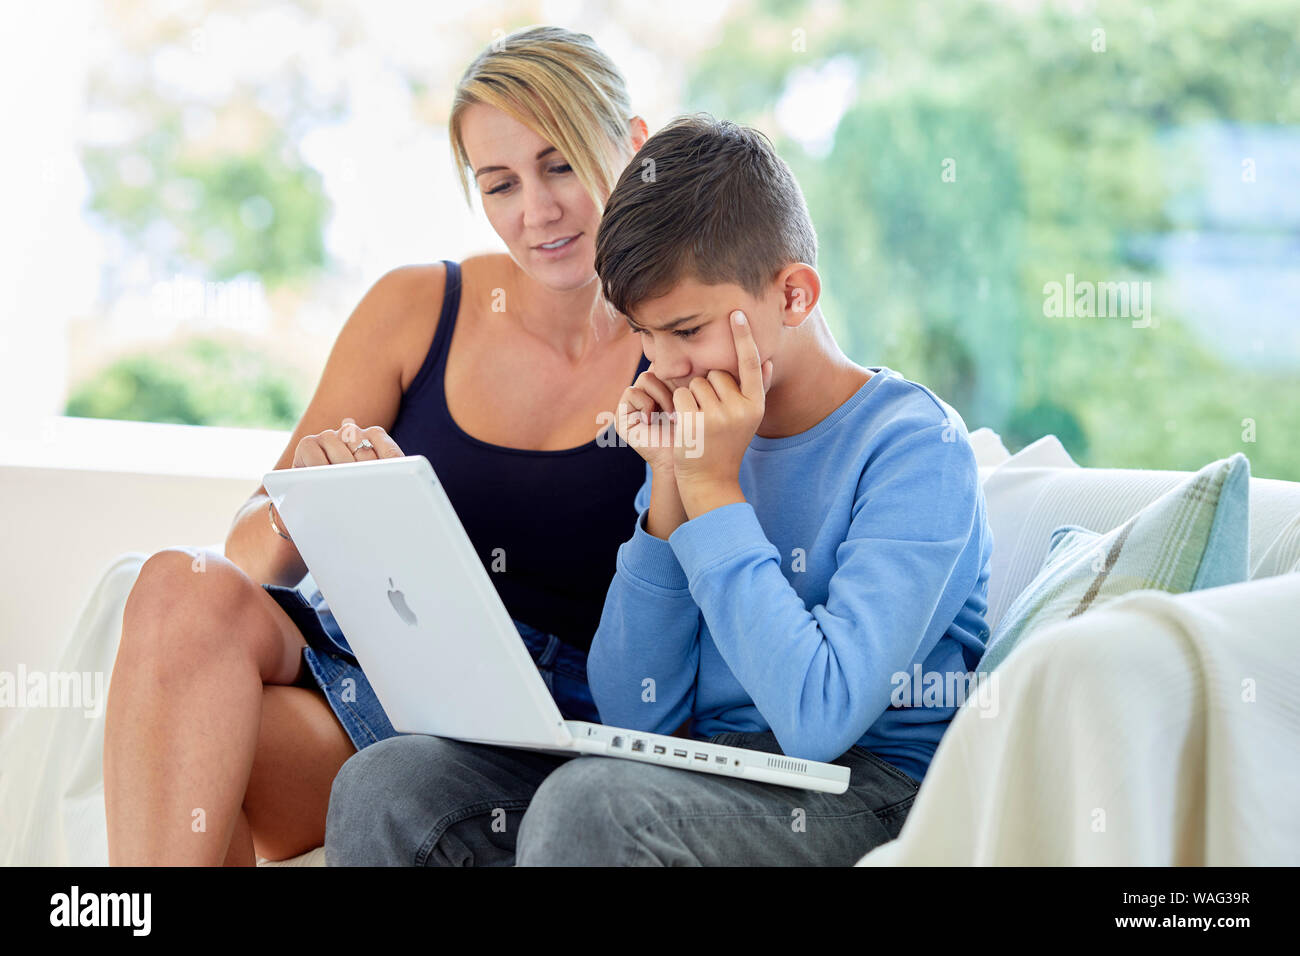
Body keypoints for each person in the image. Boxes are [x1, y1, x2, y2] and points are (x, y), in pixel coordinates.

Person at [324, 115, 995, 866]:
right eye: (643, 335)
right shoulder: (698, 429)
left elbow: (818, 714)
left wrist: (710, 488)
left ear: (795, 295)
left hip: (865, 789)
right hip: (707, 769)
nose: (661, 366)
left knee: (595, 808)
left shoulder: (914, 448)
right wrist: (669, 494)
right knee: (390, 783)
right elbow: (636, 708)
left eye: (687, 330)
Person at [102, 25, 651, 865]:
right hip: (378, 673)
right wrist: (314, 504)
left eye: (562, 165)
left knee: (214, 758)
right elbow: (249, 551)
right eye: (499, 183)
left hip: (536, 727)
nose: (536, 212)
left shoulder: (684, 336)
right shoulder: (416, 306)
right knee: (179, 586)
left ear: (633, 147)